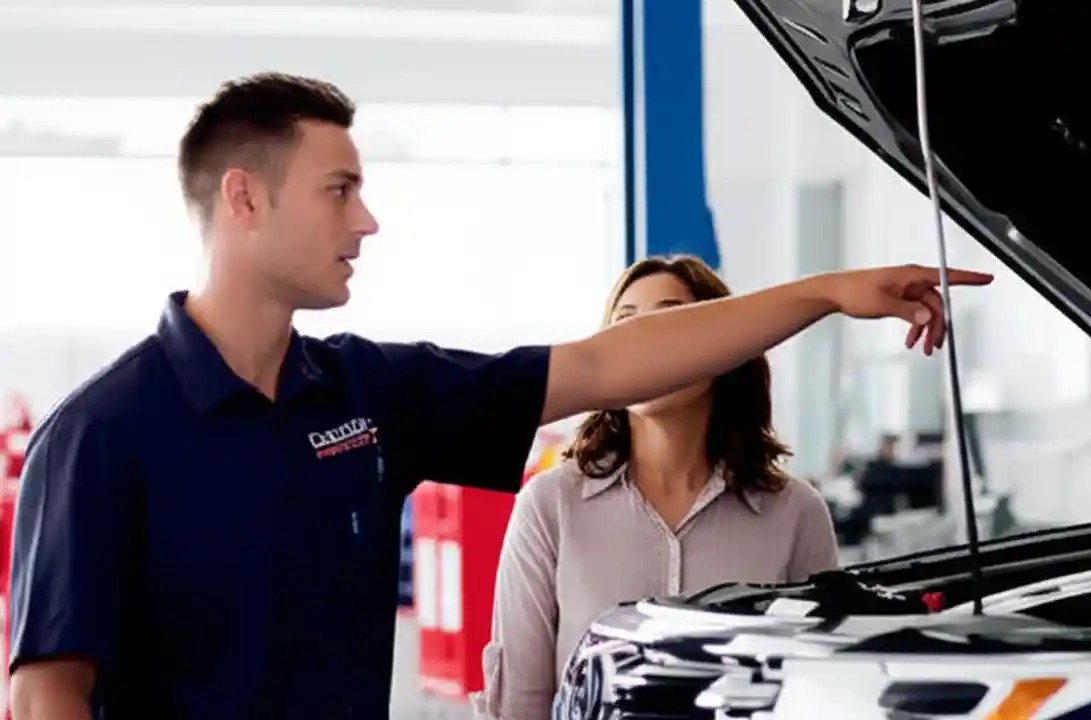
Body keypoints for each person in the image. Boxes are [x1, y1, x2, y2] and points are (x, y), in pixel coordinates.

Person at [6, 71, 992, 720]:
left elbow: (608, 368)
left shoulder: (369, 392)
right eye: (338, 190)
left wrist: (823, 293)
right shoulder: (100, 436)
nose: (369, 218)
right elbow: (47, 694)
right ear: (244, 200)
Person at [472, 255, 842, 720]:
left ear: (724, 351)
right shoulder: (550, 506)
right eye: (625, 326)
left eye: (668, 322)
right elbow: (520, 705)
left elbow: (819, 692)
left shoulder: (795, 513)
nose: (644, 348)